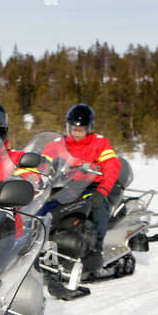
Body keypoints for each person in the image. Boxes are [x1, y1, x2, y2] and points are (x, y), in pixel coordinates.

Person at [39, 103, 122, 277]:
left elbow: (112, 166)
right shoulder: (58, 144)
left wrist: (102, 191)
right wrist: (40, 174)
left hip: (93, 184)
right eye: (73, 129)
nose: (76, 133)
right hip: (66, 184)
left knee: (98, 209)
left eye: (80, 130)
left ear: (89, 128)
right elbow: (43, 162)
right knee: (44, 210)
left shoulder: (100, 143)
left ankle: (95, 251)